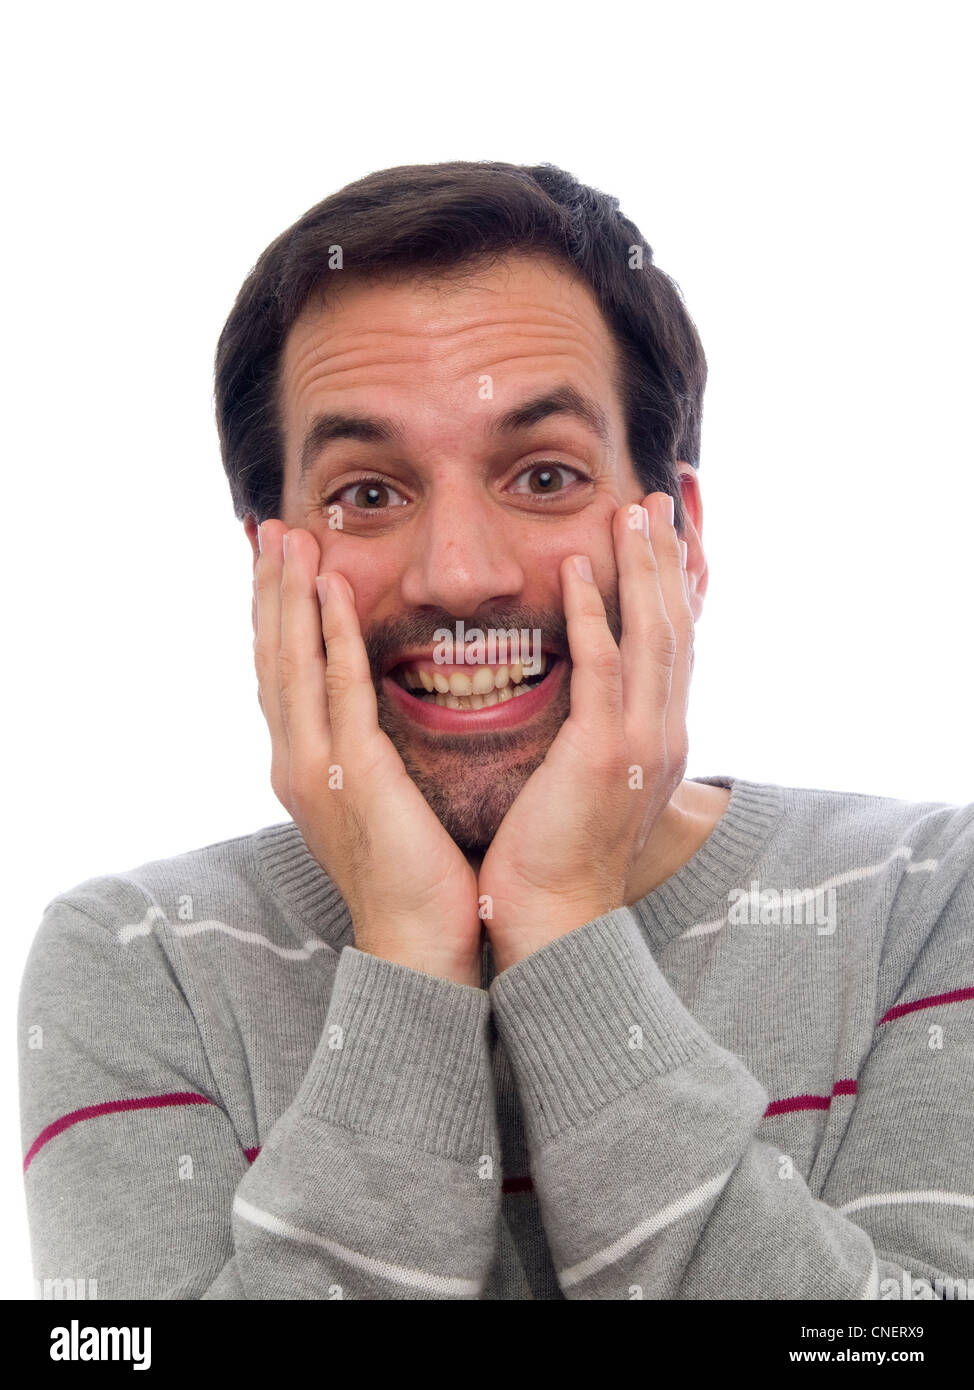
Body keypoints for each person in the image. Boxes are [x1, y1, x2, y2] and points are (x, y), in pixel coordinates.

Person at [19, 161, 974, 1300]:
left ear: (680, 537)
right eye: (369, 495)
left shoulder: (930, 902)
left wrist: (561, 918)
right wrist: (410, 948)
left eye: (543, 475)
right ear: (265, 569)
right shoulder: (138, 962)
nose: (460, 575)